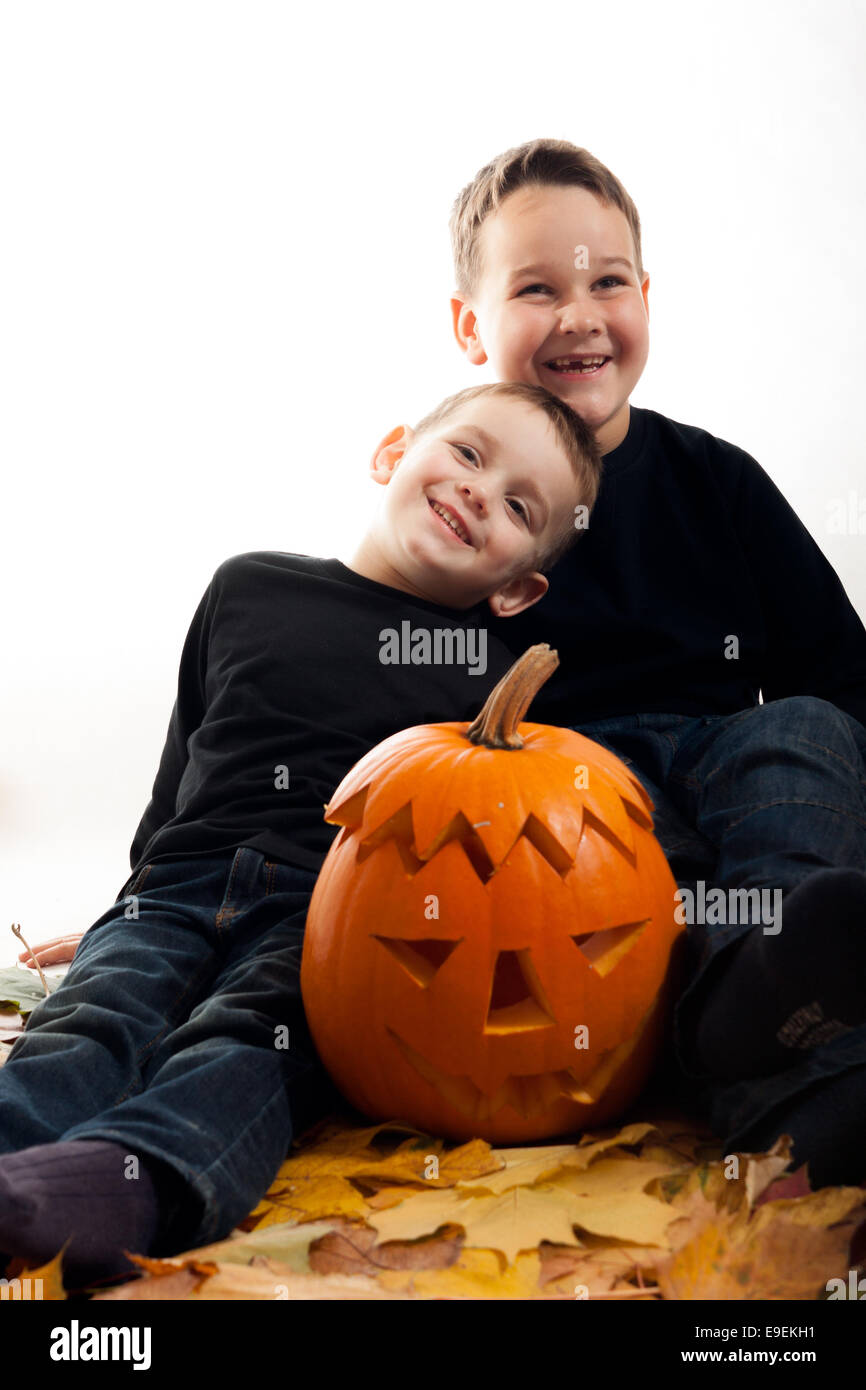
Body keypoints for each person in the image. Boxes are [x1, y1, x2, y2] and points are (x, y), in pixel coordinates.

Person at [0, 381, 600, 1289]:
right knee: (93, 1012)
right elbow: (184, 766)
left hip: (330, 920)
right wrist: (125, 902)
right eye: (470, 455)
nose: (480, 491)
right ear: (392, 454)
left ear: (518, 590)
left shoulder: (488, 678)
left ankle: (136, 1181)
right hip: (179, 881)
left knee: (252, 1041)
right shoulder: (249, 584)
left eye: (519, 505)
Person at [447, 138, 866, 1188]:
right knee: (627, 894)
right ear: (469, 324)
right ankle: (787, 1092)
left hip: (735, 770)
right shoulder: (456, 504)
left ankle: (784, 977)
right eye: (536, 288)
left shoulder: (715, 480)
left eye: (607, 281)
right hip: (568, 794)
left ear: (647, 297)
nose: (579, 314)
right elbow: (337, 702)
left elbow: (839, 666)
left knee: (801, 733)